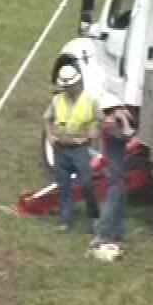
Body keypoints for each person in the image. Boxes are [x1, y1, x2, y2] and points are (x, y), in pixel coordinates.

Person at [43, 65, 99, 233]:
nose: (68, 89)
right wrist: (50, 135)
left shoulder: (90, 101)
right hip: (61, 149)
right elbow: (47, 118)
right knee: (64, 186)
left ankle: (94, 216)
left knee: (87, 184)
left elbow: (98, 119)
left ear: (78, 83)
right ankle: (65, 220)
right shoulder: (57, 100)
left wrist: (94, 131)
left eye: (70, 86)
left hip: (80, 150)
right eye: (65, 86)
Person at [94, 93, 134, 250]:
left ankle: (116, 234)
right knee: (110, 204)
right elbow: (127, 135)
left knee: (119, 203)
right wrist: (124, 119)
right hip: (112, 170)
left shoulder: (111, 123)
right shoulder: (109, 125)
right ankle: (102, 235)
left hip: (117, 171)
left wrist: (125, 116)